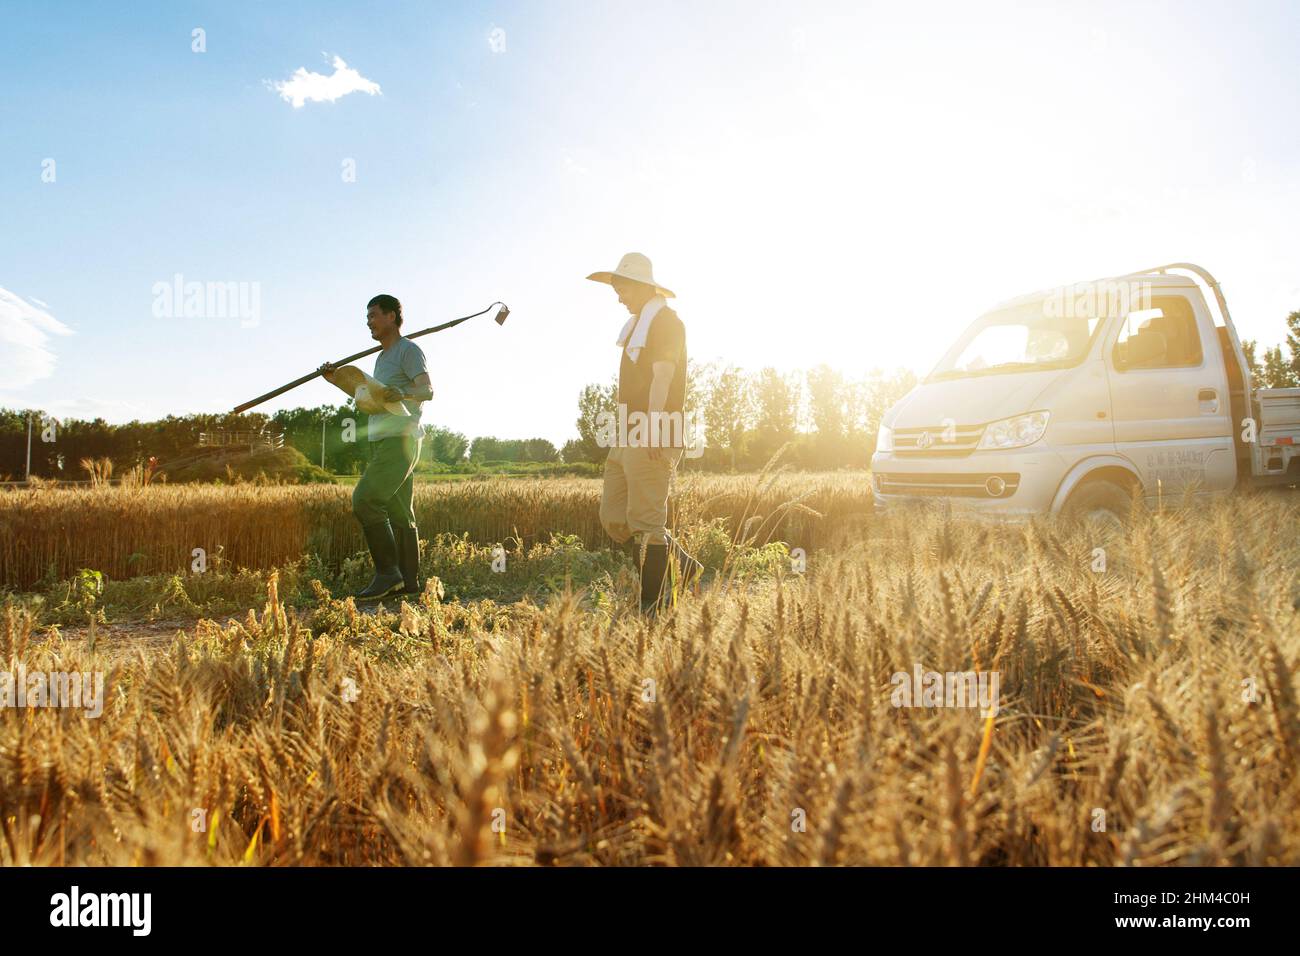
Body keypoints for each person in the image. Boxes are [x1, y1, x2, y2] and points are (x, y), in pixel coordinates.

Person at [587, 252, 702, 616]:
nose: (617, 295)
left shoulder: (667, 323)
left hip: (654, 431)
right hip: (628, 432)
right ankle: (683, 568)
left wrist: (652, 428)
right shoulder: (637, 326)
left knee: (648, 524)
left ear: (638, 286)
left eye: (620, 287)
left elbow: (663, 378)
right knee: (615, 518)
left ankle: (652, 607)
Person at [319, 294, 433, 601]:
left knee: (365, 500)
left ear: (392, 317)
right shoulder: (382, 358)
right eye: (367, 316)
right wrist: (335, 380)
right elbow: (370, 397)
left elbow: (427, 390)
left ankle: (387, 574)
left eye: (373, 315)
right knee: (400, 513)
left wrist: (404, 391)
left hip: (400, 440)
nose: (368, 321)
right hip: (384, 439)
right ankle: (408, 584)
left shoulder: (408, 350)